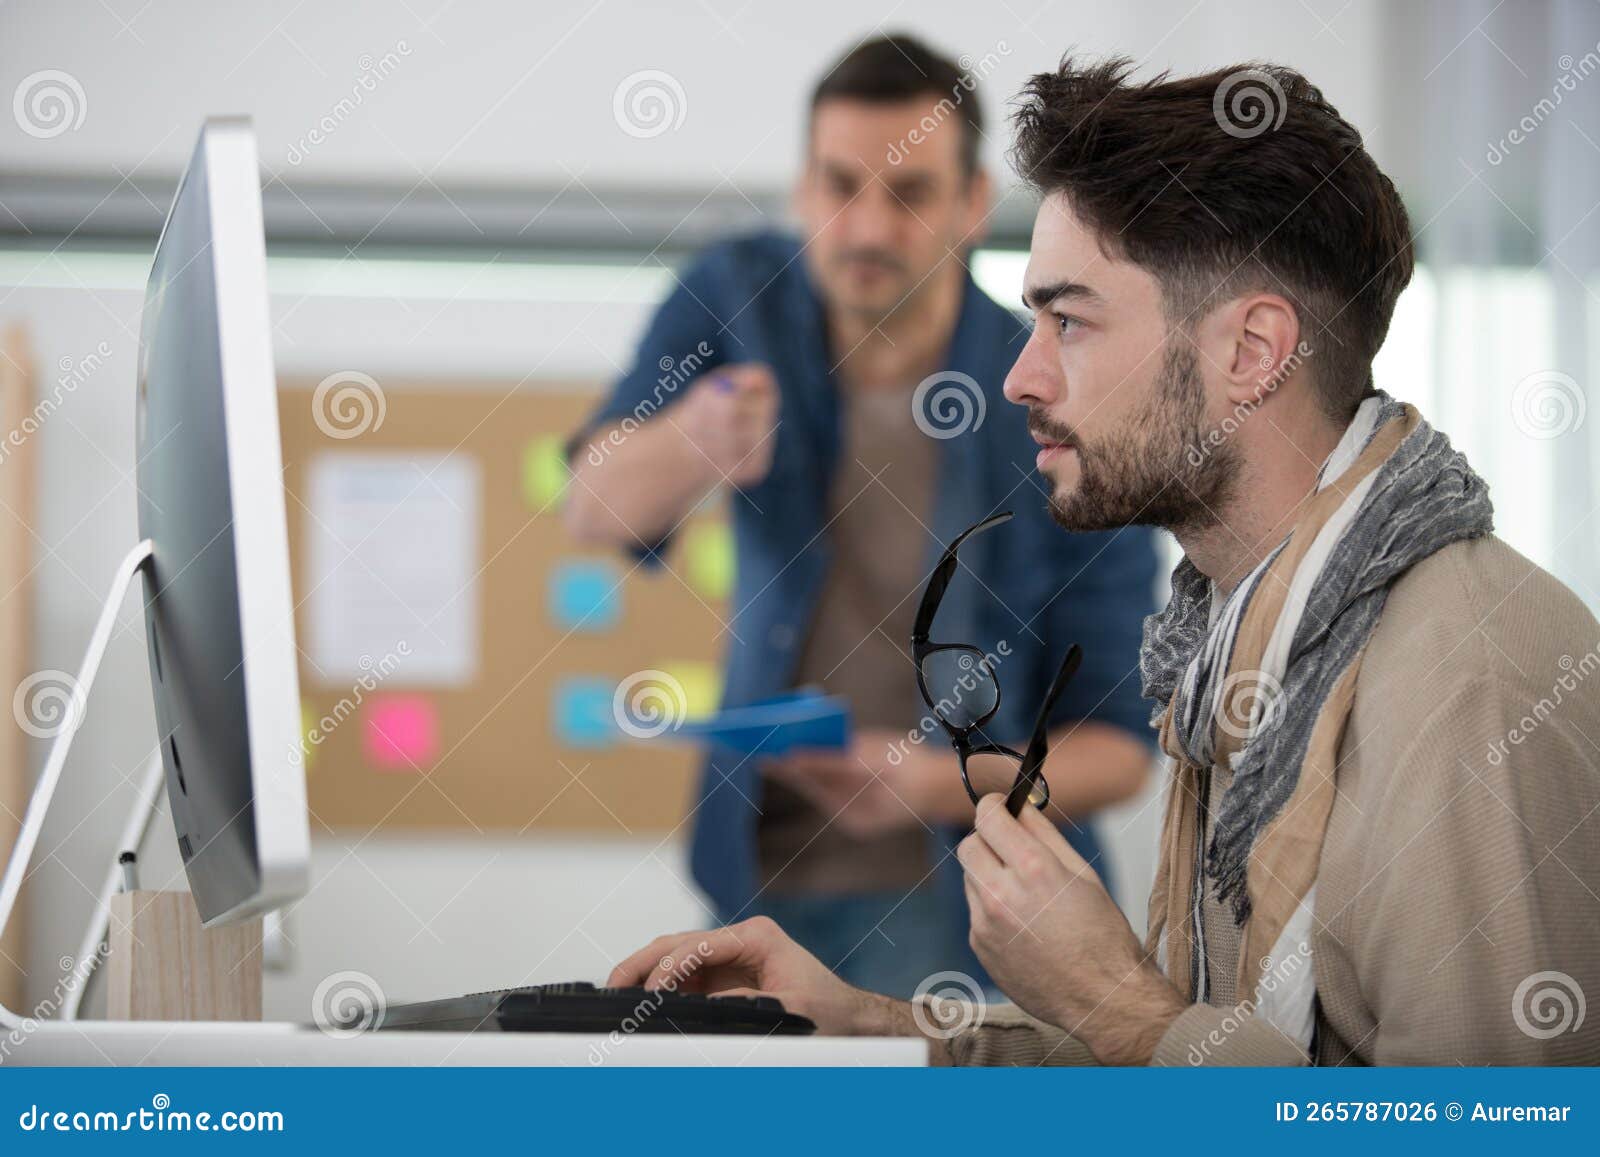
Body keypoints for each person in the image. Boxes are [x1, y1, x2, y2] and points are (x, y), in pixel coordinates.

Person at [607, 57, 1600, 1065]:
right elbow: (1203, 1066)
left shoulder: (1470, 680)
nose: (1018, 376)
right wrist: (873, 1022)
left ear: (1251, 352)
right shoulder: (1238, 648)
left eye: (1070, 320)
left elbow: (1485, 1127)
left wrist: (1114, 1000)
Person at [565, 36, 1160, 998]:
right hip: (758, 873)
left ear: (973, 203)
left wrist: (928, 782)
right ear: (803, 189)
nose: (868, 227)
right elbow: (592, 509)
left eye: (910, 193)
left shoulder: (1060, 398)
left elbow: (1121, 752)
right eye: (841, 186)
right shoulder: (735, 298)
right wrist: (691, 443)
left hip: (976, 906)